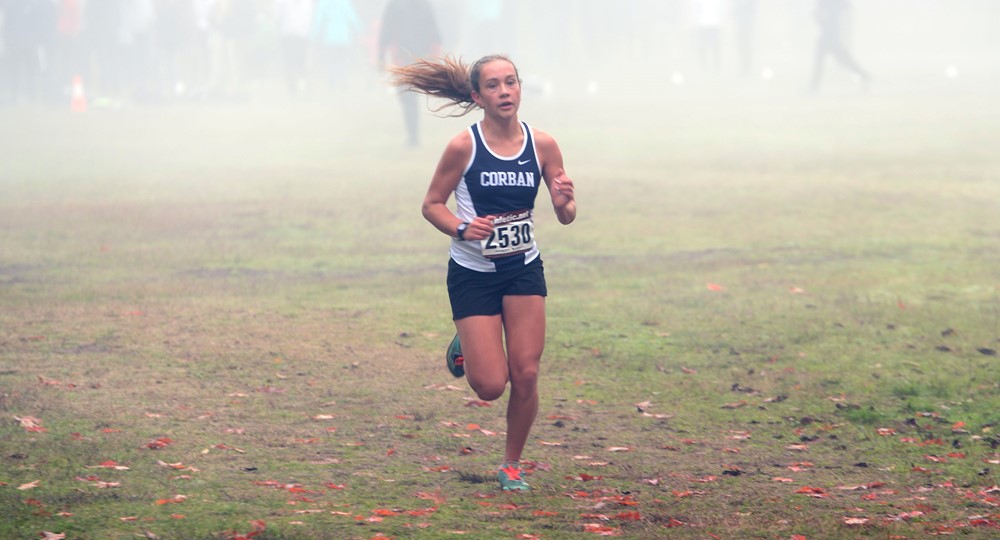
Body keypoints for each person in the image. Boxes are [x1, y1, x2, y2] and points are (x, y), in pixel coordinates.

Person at [391, 55, 576, 491]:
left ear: (520, 88)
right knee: (491, 385)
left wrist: (565, 200)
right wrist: (461, 227)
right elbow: (431, 204)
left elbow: (566, 215)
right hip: (473, 273)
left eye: (511, 83)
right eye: (493, 86)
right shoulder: (464, 147)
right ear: (477, 97)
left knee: (526, 373)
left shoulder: (543, 144)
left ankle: (512, 464)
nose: (505, 92)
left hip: (523, 269)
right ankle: (469, 346)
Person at [378, 0, 441, 146]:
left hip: (404, 56)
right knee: (410, 97)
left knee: (408, 97)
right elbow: (435, 32)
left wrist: (381, 54)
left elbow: (386, 30)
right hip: (421, 57)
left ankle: (413, 137)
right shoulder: (423, 4)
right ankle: (413, 136)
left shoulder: (395, 4)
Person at [808, 0, 870, 93]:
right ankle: (813, 88)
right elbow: (818, 13)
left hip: (831, 36)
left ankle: (864, 75)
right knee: (836, 60)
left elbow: (846, 10)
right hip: (828, 35)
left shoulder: (833, 2)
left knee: (840, 60)